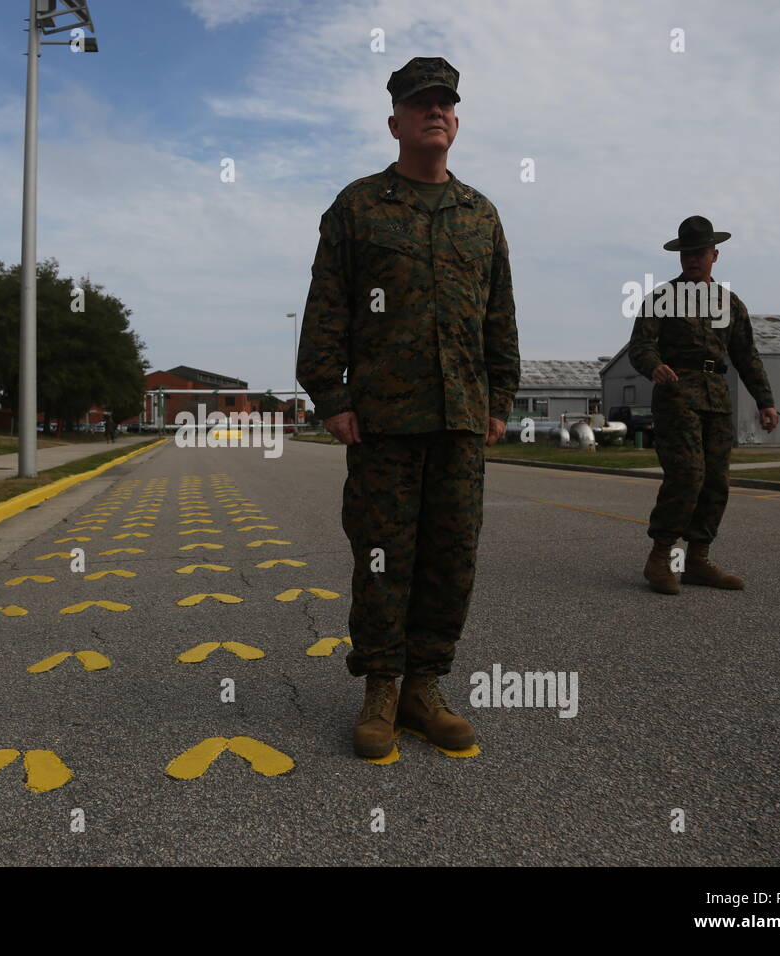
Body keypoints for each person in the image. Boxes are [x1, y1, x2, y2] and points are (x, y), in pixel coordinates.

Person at [296, 56, 520, 759]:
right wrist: (329, 395)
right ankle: (381, 688)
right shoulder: (359, 207)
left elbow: (499, 315)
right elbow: (326, 308)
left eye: (446, 103)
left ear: (456, 120)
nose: (436, 112)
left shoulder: (480, 213)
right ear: (394, 121)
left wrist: (500, 395)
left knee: (452, 558)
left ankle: (426, 686)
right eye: (421, 103)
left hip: (460, 418)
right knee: (384, 557)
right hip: (385, 420)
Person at [627, 216, 779, 594]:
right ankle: (660, 558)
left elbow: (747, 355)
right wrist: (654, 366)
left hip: (717, 400)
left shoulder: (730, 303)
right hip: (677, 395)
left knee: (716, 482)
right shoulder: (662, 299)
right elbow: (640, 346)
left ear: (715, 254)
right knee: (687, 476)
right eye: (686, 253)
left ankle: (698, 561)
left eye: (699, 252)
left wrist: (766, 402)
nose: (692, 259)